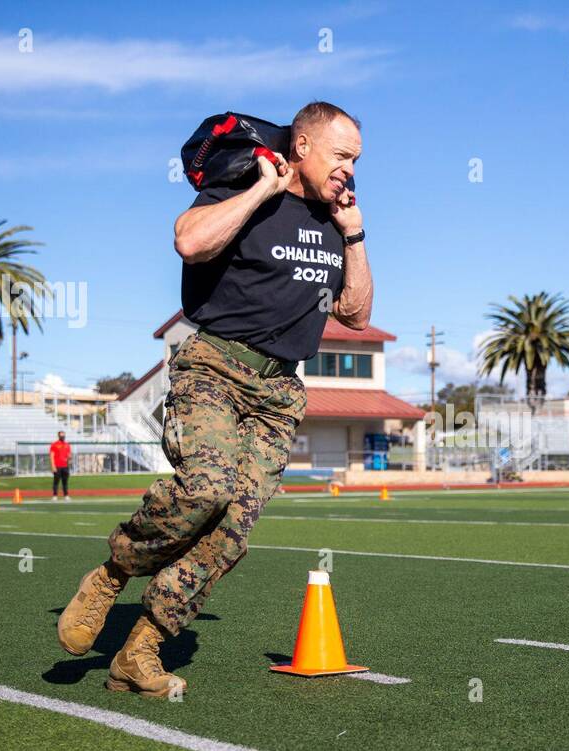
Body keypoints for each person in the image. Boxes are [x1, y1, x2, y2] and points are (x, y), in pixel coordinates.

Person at [57, 101, 370, 699]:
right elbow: (189, 241)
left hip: (279, 392)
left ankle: (140, 651)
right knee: (207, 486)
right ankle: (111, 575)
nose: (349, 170)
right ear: (302, 147)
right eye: (342, 156)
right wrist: (260, 193)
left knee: (231, 534)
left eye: (357, 160)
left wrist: (354, 231)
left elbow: (357, 313)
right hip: (215, 366)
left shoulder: (336, 223)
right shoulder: (245, 185)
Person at [50, 431, 72, 501]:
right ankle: (55, 495)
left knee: (65, 481)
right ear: (59, 436)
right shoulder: (54, 444)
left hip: (65, 466)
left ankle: (66, 495)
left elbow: (69, 455)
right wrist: (53, 466)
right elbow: (51, 456)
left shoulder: (67, 445)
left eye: (64, 435)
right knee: (56, 481)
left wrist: (69, 458)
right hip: (57, 466)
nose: (63, 437)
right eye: (61, 435)